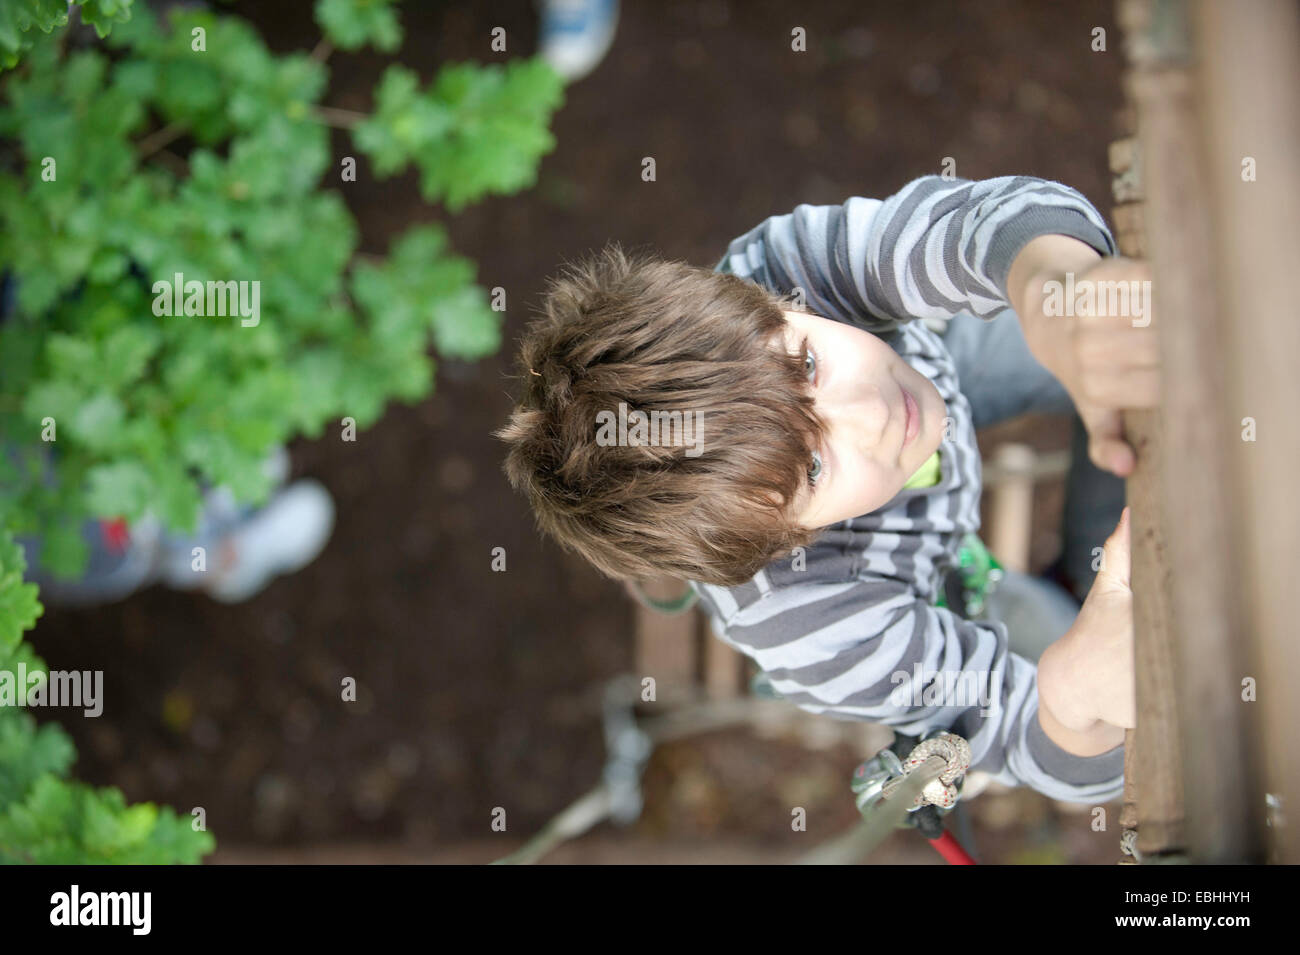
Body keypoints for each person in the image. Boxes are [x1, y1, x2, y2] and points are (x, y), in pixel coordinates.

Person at [497, 175, 1158, 803]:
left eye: (808, 364)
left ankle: (1103, 489)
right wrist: (1072, 708)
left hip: (944, 364)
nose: (872, 412)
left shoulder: (773, 276)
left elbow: (969, 228)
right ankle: (1077, 592)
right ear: (788, 541)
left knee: (1106, 338)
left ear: (771, 304)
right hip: (925, 586)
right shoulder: (813, 626)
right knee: (1106, 686)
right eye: (811, 469)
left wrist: (1050, 285)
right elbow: (1027, 738)